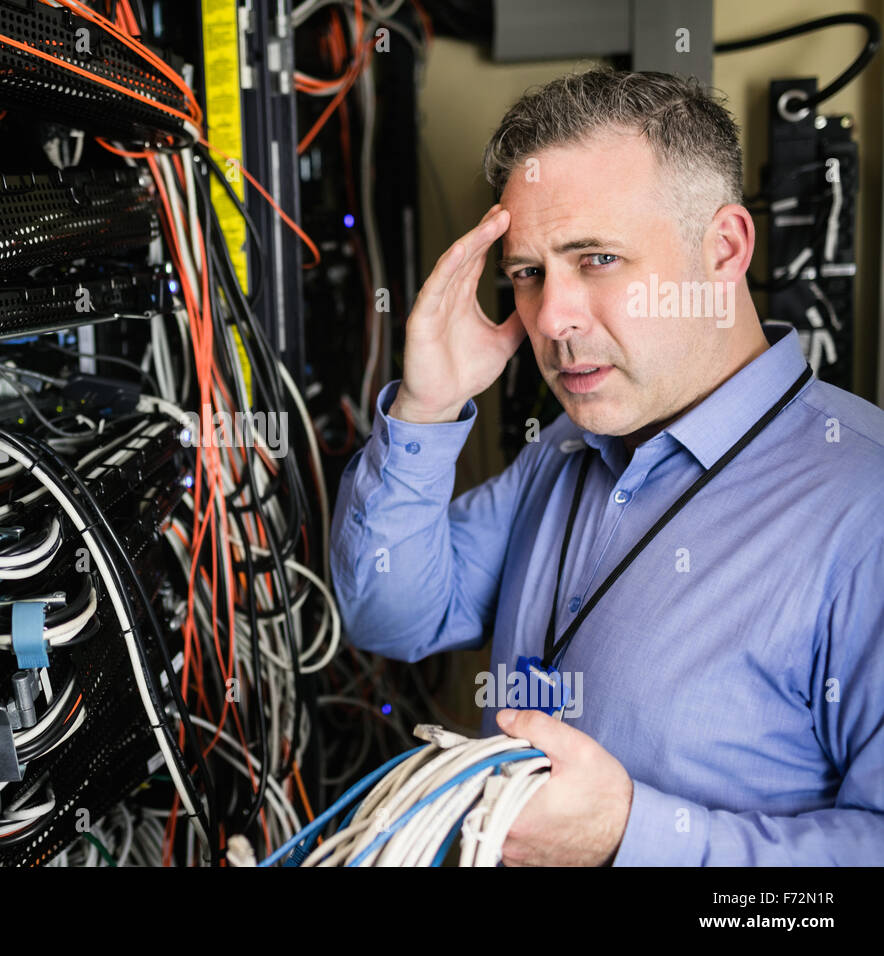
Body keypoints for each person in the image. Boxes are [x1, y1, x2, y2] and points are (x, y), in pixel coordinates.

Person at [330, 68, 884, 865]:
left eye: (596, 259)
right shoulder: (564, 448)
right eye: (527, 272)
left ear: (723, 248)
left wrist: (627, 837)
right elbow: (391, 617)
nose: (551, 317)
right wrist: (423, 408)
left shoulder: (863, 508)